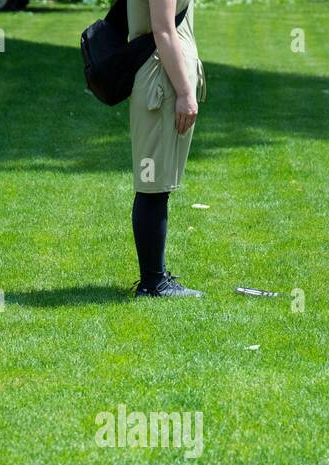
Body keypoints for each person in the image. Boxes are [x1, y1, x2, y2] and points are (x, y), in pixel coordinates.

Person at [128, 0, 206, 298]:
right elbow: (163, 30)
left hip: (160, 78)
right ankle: (153, 283)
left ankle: (155, 278)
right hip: (161, 84)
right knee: (153, 185)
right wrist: (186, 92)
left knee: (157, 184)